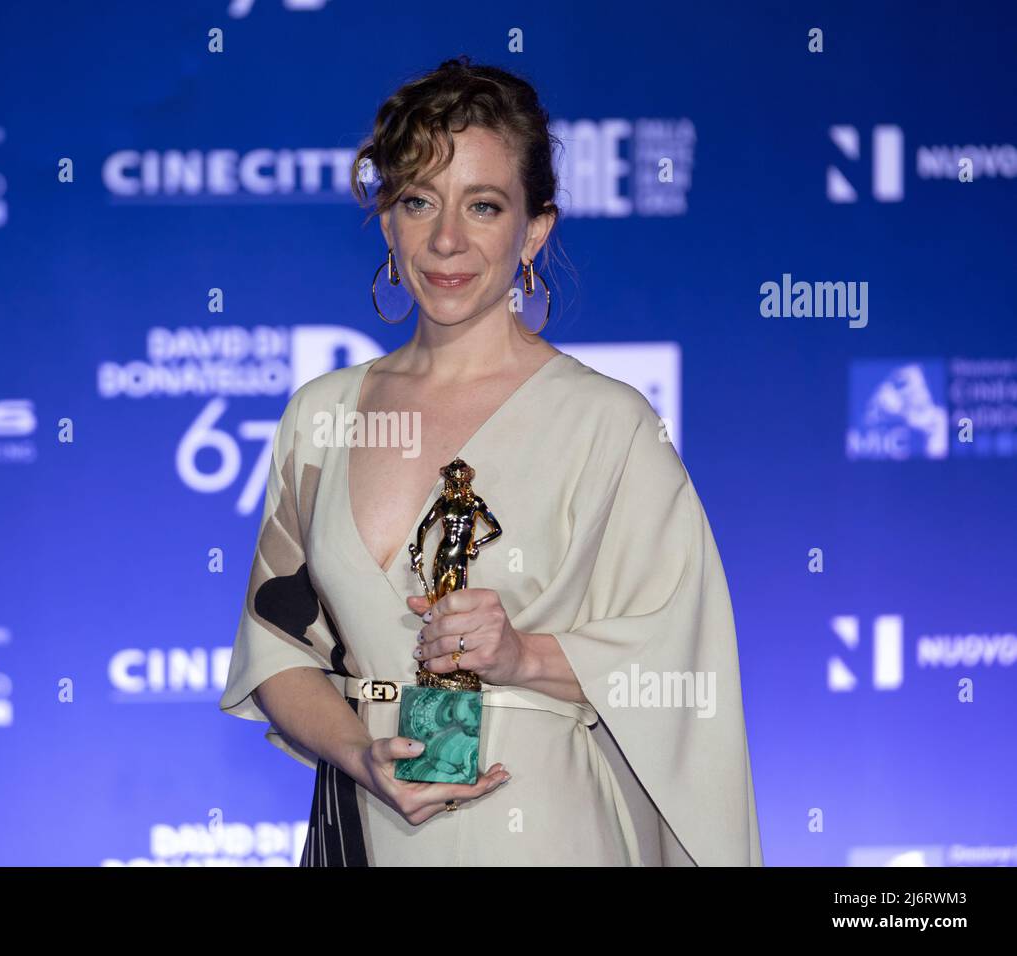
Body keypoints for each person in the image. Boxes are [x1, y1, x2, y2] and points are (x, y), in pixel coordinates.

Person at [219, 55, 763, 866]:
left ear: (534, 228)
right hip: (368, 823)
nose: (446, 240)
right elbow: (277, 649)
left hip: (545, 823)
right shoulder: (320, 416)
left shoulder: (606, 424)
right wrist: (362, 755)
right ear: (386, 218)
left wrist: (522, 656)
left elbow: (682, 666)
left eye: (483, 205)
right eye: (417, 201)